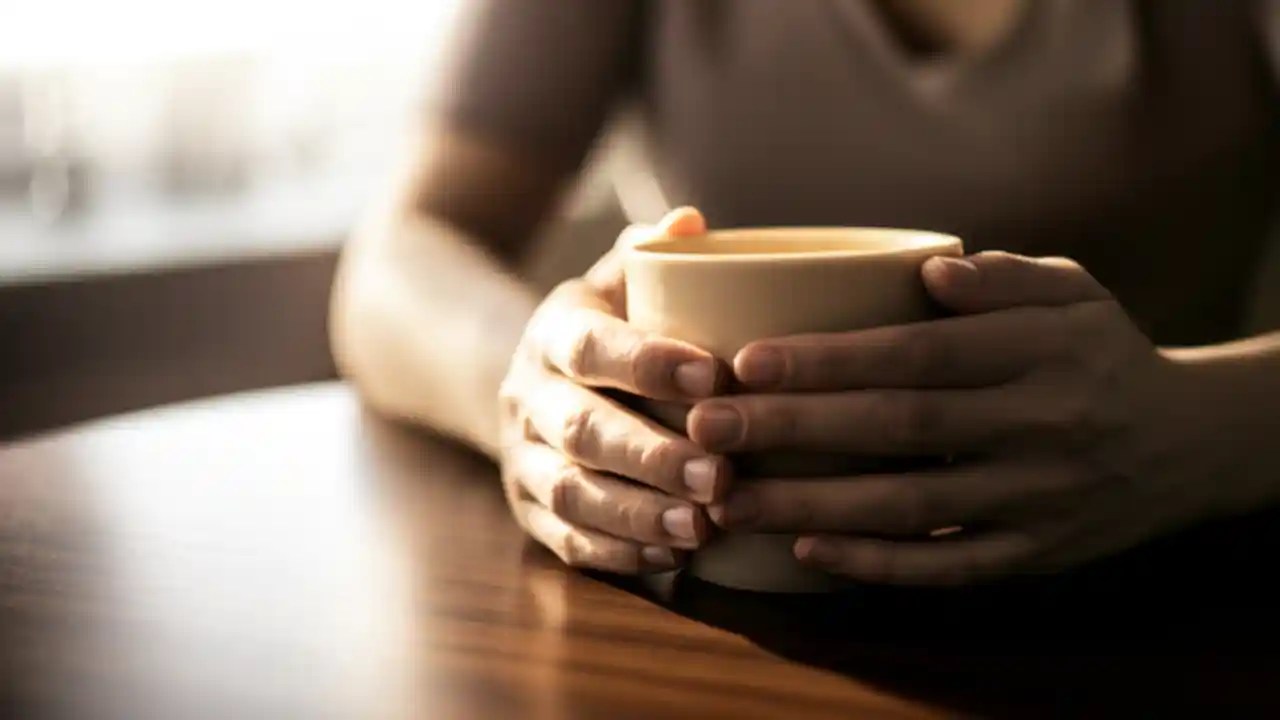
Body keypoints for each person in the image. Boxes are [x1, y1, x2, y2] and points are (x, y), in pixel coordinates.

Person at [330, 1, 1280, 586]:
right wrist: (540, 394)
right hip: (710, 613)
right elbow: (393, 262)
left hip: (1156, 599)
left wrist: (1210, 420)